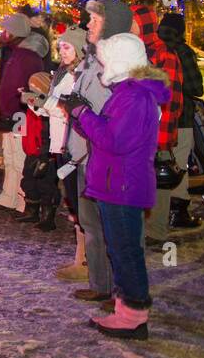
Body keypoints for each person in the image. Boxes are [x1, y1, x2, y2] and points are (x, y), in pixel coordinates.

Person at [64, 33, 169, 340]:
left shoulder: (135, 96)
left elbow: (116, 141)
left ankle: (134, 317)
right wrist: (80, 114)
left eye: (107, 59)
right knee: (121, 248)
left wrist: (84, 113)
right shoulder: (126, 92)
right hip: (116, 183)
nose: (102, 65)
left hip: (123, 185)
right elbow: (107, 132)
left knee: (125, 251)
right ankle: (127, 309)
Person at [63, 0, 133, 304]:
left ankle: (124, 294)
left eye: (94, 19)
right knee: (90, 222)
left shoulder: (120, 61)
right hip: (84, 151)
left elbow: (117, 112)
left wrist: (84, 111)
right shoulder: (91, 58)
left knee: (115, 228)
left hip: (105, 156)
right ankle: (101, 283)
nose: (87, 23)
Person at [131, 5, 185, 245]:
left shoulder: (163, 55)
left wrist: (161, 139)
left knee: (158, 183)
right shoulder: (136, 51)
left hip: (155, 134)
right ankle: (141, 229)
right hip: (136, 133)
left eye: (133, 22)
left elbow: (169, 100)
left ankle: (156, 231)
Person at [40, 28, 87, 265]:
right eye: (60, 47)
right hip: (59, 143)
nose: (62, 51)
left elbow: (68, 108)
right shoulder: (60, 72)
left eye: (67, 47)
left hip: (74, 146)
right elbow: (52, 105)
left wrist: (45, 102)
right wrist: (35, 103)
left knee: (79, 200)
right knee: (72, 198)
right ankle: (81, 256)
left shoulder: (81, 74)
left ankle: (84, 257)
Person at [0, 13, 49, 214]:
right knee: (9, 157)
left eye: (6, 30)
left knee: (18, 158)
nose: (3, 33)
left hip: (20, 113)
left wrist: (16, 104)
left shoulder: (27, 56)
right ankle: (8, 198)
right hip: (12, 113)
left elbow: (29, 85)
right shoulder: (17, 52)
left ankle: (21, 201)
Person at [157, 12, 204, 230]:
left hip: (153, 117)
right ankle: (178, 211)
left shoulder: (151, 49)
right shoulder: (182, 52)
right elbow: (196, 88)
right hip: (180, 116)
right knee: (178, 162)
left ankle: (155, 212)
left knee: (157, 162)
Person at [19, 72, 59, 229]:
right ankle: (31, 211)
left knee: (46, 184)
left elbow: (47, 132)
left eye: (34, 88)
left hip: (44, 152)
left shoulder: (47, 111)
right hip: (31, 150)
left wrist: (45, 154)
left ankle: (47, 216)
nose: (31, 91)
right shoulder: (33, 106)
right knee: (29, 180)